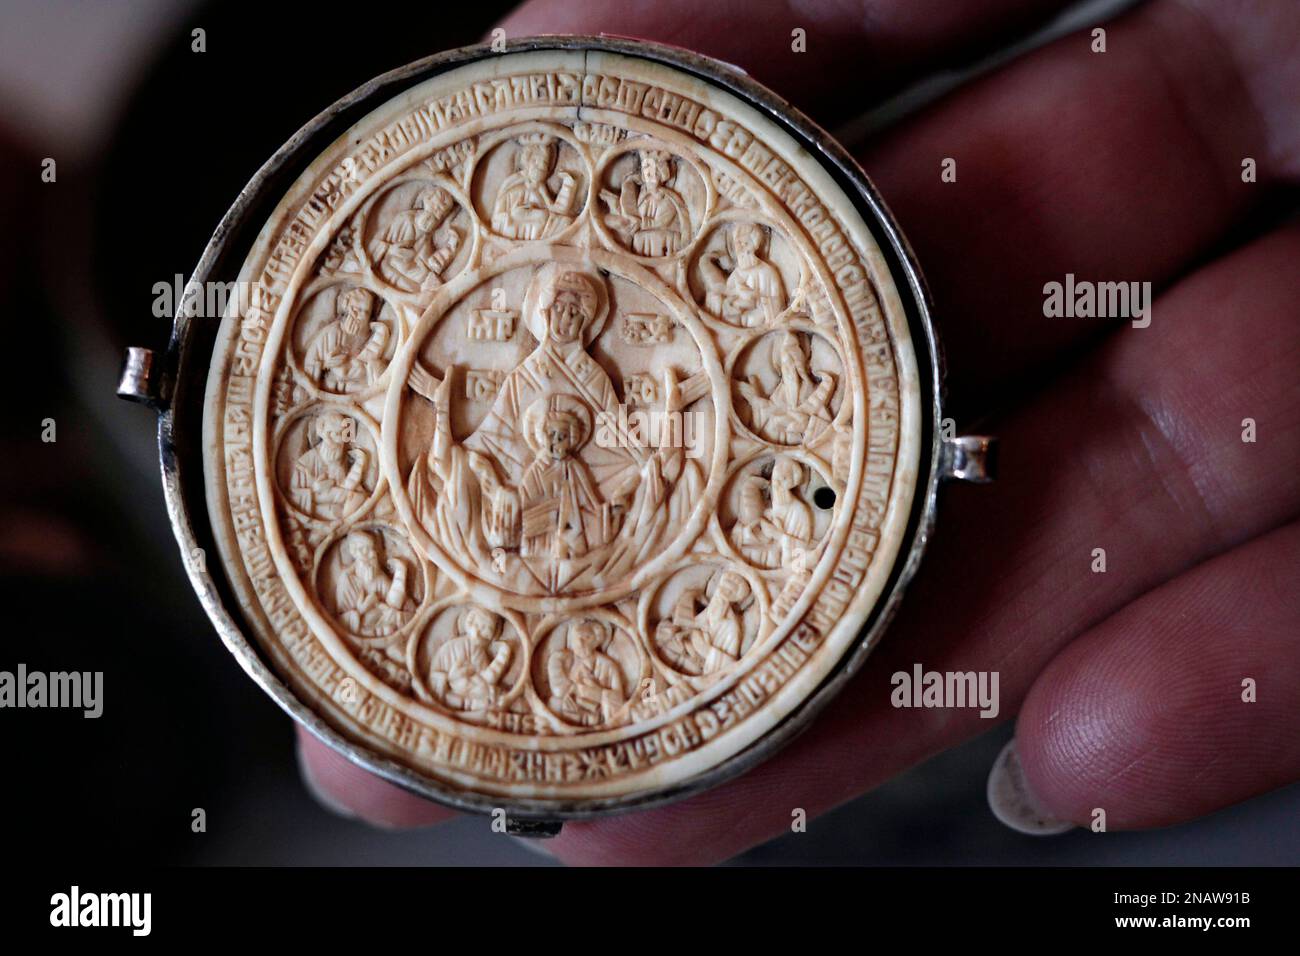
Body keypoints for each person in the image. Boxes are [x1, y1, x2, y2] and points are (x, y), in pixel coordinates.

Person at [297, 3, 1300, 865]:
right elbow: (533, 425)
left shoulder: (600, 368)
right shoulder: (520, 373)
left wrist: (651, 435)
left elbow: (608, 425)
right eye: (554, 318)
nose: (561, 328)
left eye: (574, 318)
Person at [369, 186, 461, 292]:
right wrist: (390, 249)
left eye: (441, 211)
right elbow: (378, 246)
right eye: (437, 205)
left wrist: (450, 248)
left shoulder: (427, 234)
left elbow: (426, 260)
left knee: (432, 285)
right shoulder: (405, 220)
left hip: (408, 273)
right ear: (427, 199)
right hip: (389, 270)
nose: (438, 210)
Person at [601, 149, 690, 256]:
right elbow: (634, 212)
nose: (650, 178)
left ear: (662, 176)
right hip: (642, 239)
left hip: (665, 241)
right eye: (647, 174)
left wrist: (637, 223)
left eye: (654, 174)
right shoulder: (642, 195)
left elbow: (661, 222)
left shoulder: (668, 198)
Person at [490, 134, 578, 239]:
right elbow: (502, 214)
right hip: (514, 224)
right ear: (527, 161)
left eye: (545, 164)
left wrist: (568, 185)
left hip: (537, 221)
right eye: (537, 162)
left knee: (565, 222)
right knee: (542, 217)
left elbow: (555, 208)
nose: (542, 167)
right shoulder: (514, 182)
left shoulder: (540, 186)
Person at [302, 287, 388, 392]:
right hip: (336, 387)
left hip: (362, 385)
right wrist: (325, 364)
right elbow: (308, 366)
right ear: (348, 309)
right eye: (356, 310)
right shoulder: (332, 332)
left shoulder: (375, 333)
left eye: (365, 312)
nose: (359, 315)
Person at [701, 222, 786, 326]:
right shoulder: (737, 273)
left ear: (755, 245)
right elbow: (728, 292)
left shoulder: (767, 272)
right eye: (738, 244)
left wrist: (756, 299)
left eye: (745, 243)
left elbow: (777, 303)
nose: (741, 249)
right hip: (735, 316)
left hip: (756, 317)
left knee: (751, 319)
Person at [333, 530, 414, 638]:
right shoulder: (347, 580)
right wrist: (363, 608)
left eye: (373, 549)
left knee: (397, 616)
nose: (372, 554)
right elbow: (340, 620)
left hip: (385, 622)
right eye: (366, 550)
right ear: (354, 552)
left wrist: (400, 572)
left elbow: (397, 602)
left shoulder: (378, 576)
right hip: (362, 628)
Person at [427, 607, 512, 710]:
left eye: (487, 631)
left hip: (469, 689)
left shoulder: (479, 653)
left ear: (492, 637)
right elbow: (438, 675)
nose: (480, 633)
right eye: (478, 625)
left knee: (483, 688)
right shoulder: (452, 647)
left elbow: (484, 677)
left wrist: (502, 656)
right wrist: (448, 678)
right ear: (469, 622)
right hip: (448, 688)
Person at [547, 620, 627, 727]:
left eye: (586, 638)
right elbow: (559, 690)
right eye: (576, 638)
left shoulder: (608, 666)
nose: (580, 643)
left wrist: (599, 694)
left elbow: (618, 698)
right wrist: (578, 690)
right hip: (572, 711)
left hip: (598, 713)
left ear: (597, 641)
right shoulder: (563, 660)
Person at [291, 412, 368, 519]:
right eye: (336, 434)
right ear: (324, 434)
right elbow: (293, 496)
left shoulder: (343, 457)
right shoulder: (305, 464)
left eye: (342, 434)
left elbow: (347, 483)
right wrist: (314, 489)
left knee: (359, 497)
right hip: (318, 506)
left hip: (341, 502)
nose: (340, 440)